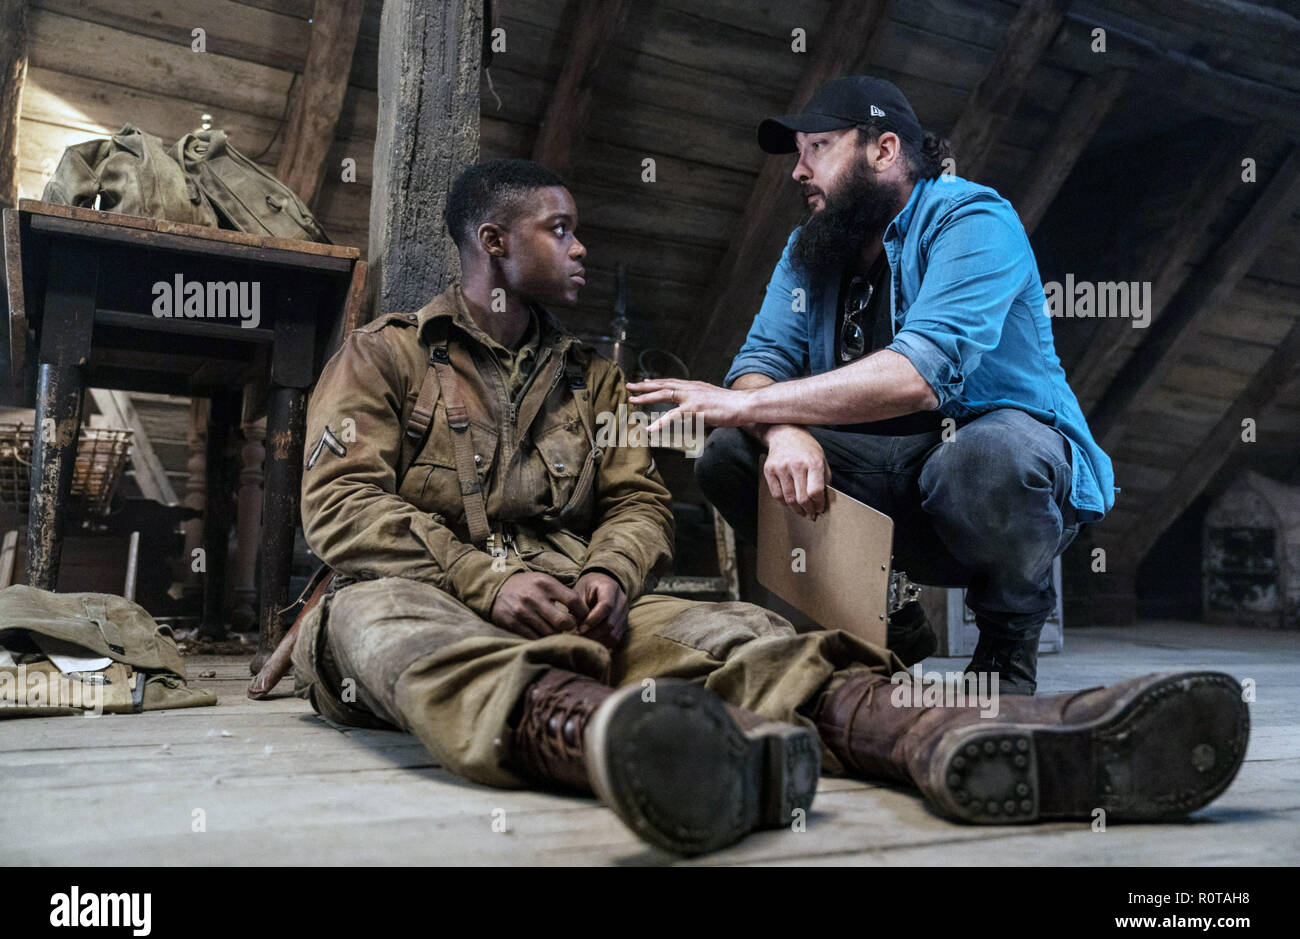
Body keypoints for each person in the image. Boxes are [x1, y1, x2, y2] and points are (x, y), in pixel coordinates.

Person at [291, 158, 1247, 857]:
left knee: (742, 627)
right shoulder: (386, 356)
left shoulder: (593, 380)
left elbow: (636, 506)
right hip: (428, 591)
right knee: (376, 618)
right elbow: (338, 507)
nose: (581, 248)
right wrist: (484, 580)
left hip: (573, 595)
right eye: (561, 230)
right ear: (494, 244)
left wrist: (606, 575)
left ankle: (944, 733)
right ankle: (599, 739)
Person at [632, 76, 1110, 696]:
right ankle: (888, 621)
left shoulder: (972, 216)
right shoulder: (809, 247)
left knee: (988, 459)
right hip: (877, 479)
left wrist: (747, 405)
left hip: (983, 477)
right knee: (729, 456)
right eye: (797, 154)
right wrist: (780, 429)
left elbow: (918, 374)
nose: (799, 171)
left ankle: (1006, 652)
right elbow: (760, 361)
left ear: (884, 150)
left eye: (819, 148)